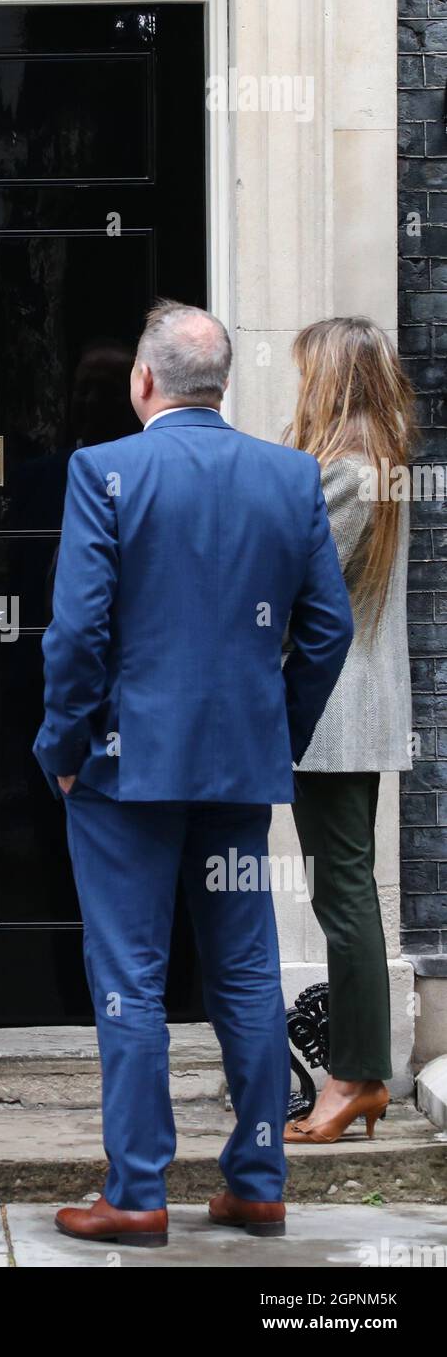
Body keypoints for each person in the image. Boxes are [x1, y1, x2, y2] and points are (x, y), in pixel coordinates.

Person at [34, 300, 354, 1246]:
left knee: (129, 978)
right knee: (247, 975)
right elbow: (327, 631)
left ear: (143, 381)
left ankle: (135, 1193)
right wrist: (272, 729)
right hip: (235, 772)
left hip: (122, 775)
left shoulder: (105, 471)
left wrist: (62, 747)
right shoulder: (288, 475)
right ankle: (257, 1181)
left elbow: (78, 634)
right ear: (222, 385)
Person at [282, 317, 415, 1145]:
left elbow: (300, 583)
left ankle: (356, 1075)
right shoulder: (375, 461)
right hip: (350, 707)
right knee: (345, 887)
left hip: (332, 708)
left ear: (329, 379)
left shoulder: (347, 471)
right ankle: (356, 1074)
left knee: (342, 892)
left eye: (306, 374)